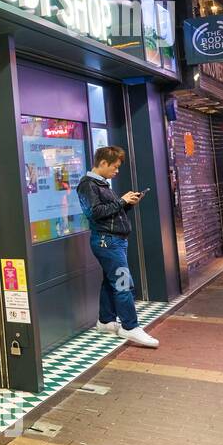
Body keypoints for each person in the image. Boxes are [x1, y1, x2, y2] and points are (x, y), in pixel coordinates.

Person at [76, 145, 158, 348]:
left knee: (111, 280)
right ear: (103, 163)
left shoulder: (101, 184)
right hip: (107, 242)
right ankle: (130, 326)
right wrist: (121, 201)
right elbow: (94, 212)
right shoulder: (88, 185)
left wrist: (127, 203)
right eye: (115, 166)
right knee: (123, 282)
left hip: (115, 241)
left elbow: (109, 214)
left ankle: (105, 321)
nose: (117, 170)